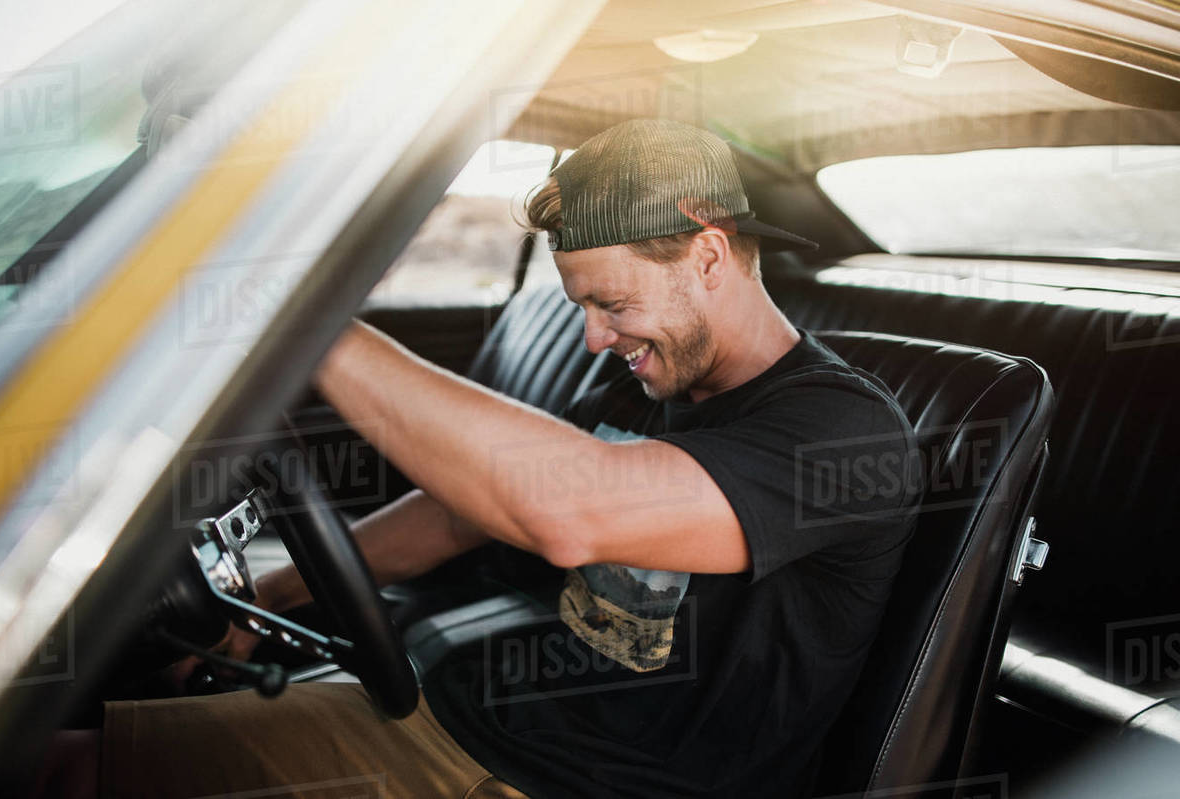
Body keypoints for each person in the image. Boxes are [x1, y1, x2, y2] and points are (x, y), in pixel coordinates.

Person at [52, 119, 922, 799]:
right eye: (580, 304)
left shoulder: (840, 431)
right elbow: (461, 511)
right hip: (459, 710)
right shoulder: (654, 382)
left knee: (63, 777)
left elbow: (575, 510)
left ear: (707, 253)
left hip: (562, 784)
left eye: (610, 301)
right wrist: (264, 602)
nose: (593, 336)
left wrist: (290, 316)